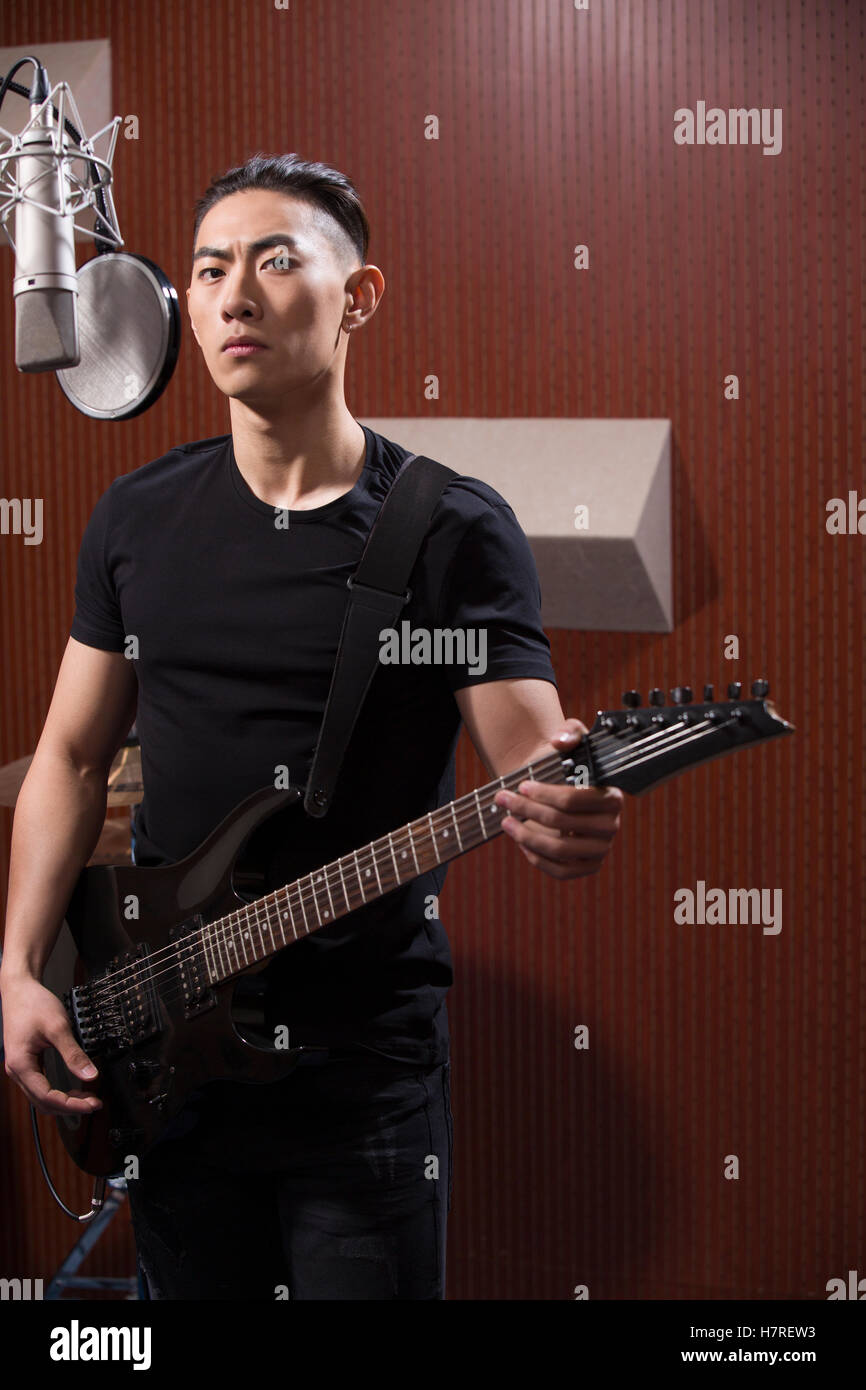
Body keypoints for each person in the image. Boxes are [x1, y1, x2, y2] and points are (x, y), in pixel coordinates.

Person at [1, 153, 624, 1300]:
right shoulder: (137, 519)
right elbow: (72, 759)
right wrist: (16, 968)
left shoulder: (449, 532)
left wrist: (561, 808)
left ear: (360, 296)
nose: (234, 293)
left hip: (360, 1077)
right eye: (208, 268)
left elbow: (527, 754)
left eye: (277, 260)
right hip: (166, 1051)